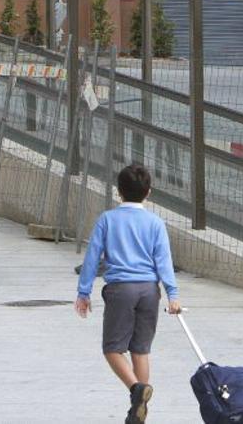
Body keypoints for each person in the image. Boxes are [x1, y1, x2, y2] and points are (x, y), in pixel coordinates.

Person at [75, 164, 181, 424]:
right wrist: (172, 293)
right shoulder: (155, 223)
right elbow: (163, 261)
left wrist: (83, 291)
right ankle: (139, 411)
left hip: (121, 289)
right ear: (149, 193)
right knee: (140, 350)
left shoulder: (108, 220)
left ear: (118, 192)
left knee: (112, 348)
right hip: (149, 290)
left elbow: (92, 258)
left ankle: (136, 390)